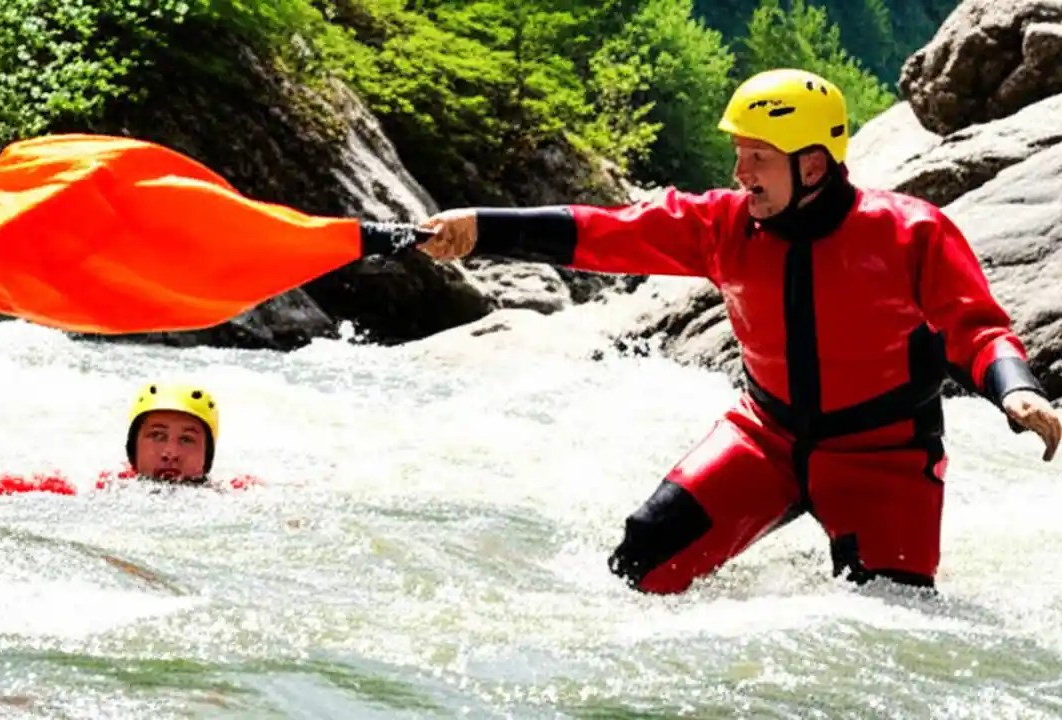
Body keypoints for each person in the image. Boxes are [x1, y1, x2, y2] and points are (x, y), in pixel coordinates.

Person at [413, 68, 1062, 593]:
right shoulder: (723, 226)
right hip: (766, 441)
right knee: (637, 566)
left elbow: (973, 329)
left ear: (811, 166)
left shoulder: (909, 232)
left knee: (889, 626)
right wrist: (483, 227)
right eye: (738, 155)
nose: (739, 173)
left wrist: (1015, 390)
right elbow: (607, 231)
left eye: (756, 157)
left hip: (883, 461)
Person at [0, 379, 259, 500]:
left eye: (187, 440)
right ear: (133, 447)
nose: (170, 452)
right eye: (157, 436)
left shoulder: (230, 495)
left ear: (208, 455)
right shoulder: (108, 487)